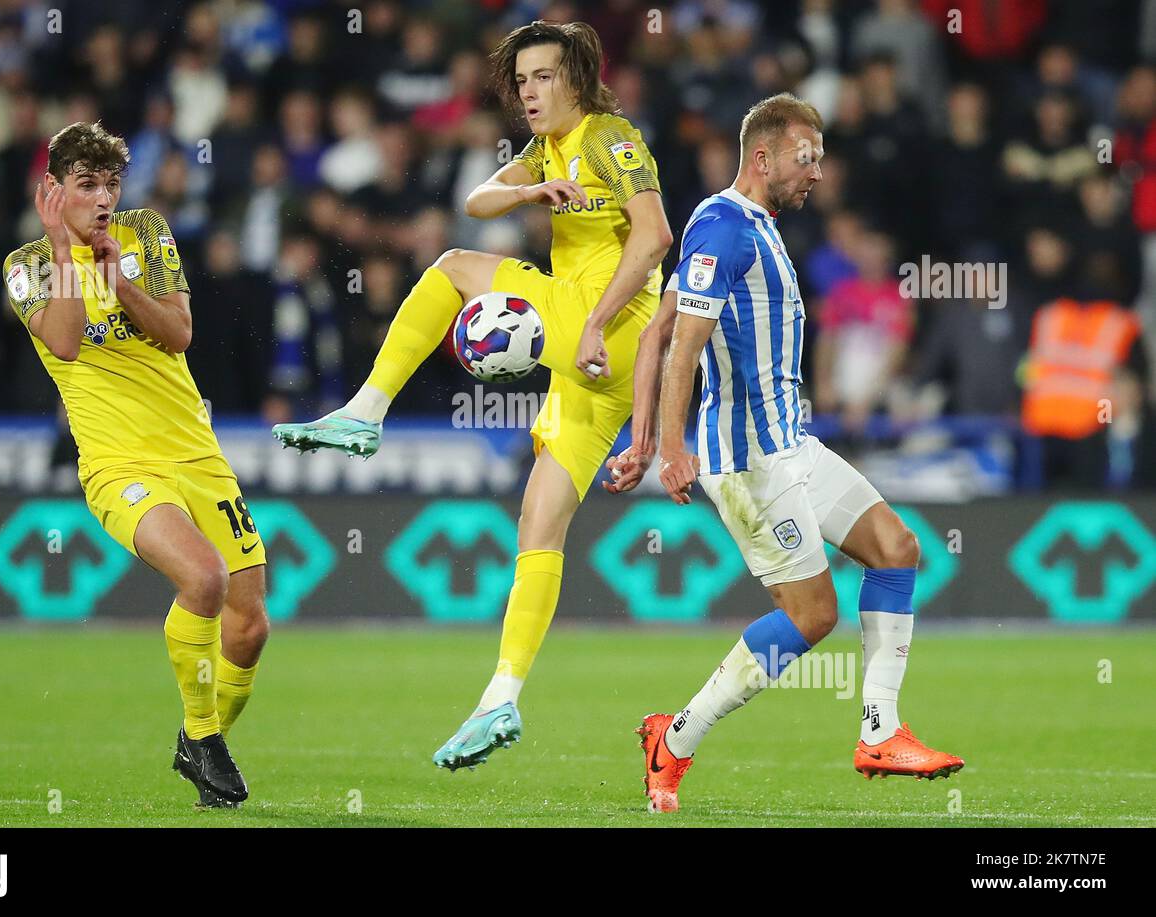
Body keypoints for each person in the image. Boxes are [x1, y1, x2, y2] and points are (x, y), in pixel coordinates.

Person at [273, 20, 674, 770]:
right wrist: (532, 189)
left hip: (608, 328)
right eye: (521, 80)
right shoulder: (546, 151)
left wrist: (592, 321)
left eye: (544, 77)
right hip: (594, 362)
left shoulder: (608, 137)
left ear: (577, 82)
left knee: (455, 267)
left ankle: (367, 409)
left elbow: (655, 237)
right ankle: (502, 696)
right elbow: (479, 196)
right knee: (539, 525)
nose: (528, 90)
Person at [605, 93, 963, 813]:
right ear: (763, 156)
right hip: (748, 460)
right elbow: (683, 344)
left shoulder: (751, 228)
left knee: (896, 548)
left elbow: (653, 332)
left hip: (793, 443)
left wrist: (642, 437)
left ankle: (880, 731)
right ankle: (674, 739)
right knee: (812, 614)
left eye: (823, 159)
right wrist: (671, 446)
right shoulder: (722, 225)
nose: (819, 173)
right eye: (809, 157)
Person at [2, 122, 269, 808]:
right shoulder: (26, 264)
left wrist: (116, 275)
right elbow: (63, 342)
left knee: (249, 624)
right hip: (119, 463)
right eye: (86, 184)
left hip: (197, 451)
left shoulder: (145, 234)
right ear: (53, 189)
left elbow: (179, 333)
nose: (102, 198)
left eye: (111, 183)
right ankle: (206, 737)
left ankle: (194, 739)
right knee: (203, 576)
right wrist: (67, 251)